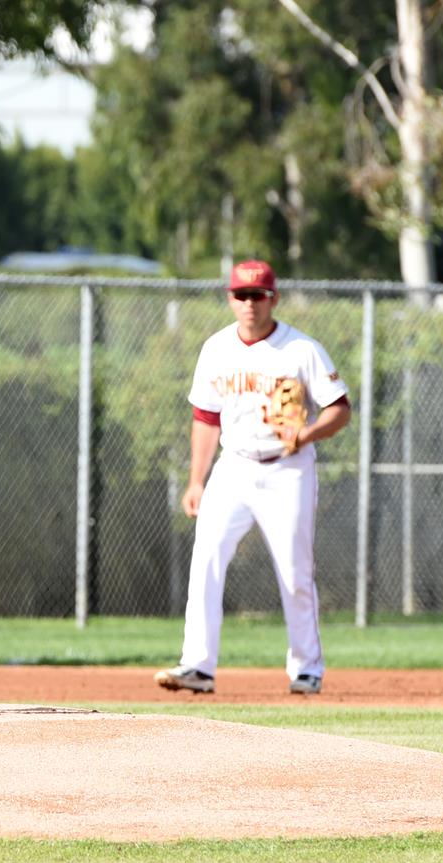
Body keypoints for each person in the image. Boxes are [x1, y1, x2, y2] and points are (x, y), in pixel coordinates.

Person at [155, 260, 351, 695]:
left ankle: (306, 668)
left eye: (257, 295)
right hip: (235, 465)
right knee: (206, 558)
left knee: (295, 571)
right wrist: (196, 480)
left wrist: (307, 433)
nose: (249, 303)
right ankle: (198, 666)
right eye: (241, 295)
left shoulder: (301, 350)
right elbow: (205, 418)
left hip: (288, 468)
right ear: (230, 298)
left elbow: (340, 408)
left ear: (273, 299)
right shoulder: (216, 349)